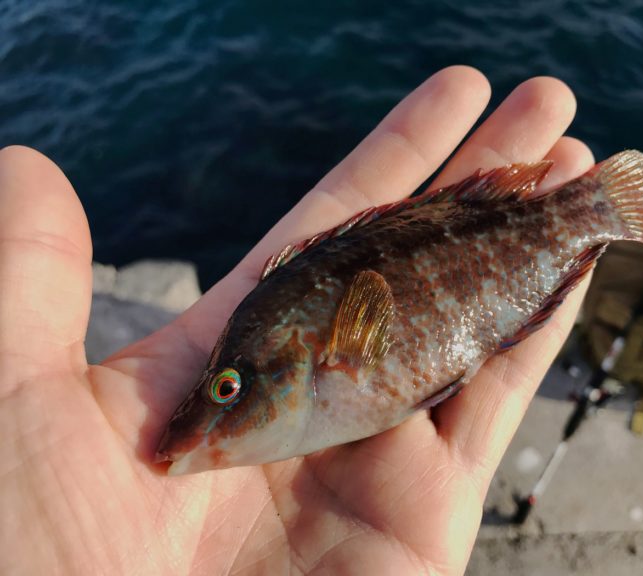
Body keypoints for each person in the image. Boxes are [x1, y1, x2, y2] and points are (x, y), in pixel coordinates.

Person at [0, 66, 594, 574]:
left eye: (228, 387)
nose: (217, 400)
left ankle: (587, 218)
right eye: (222, 387)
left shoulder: (305, 348)